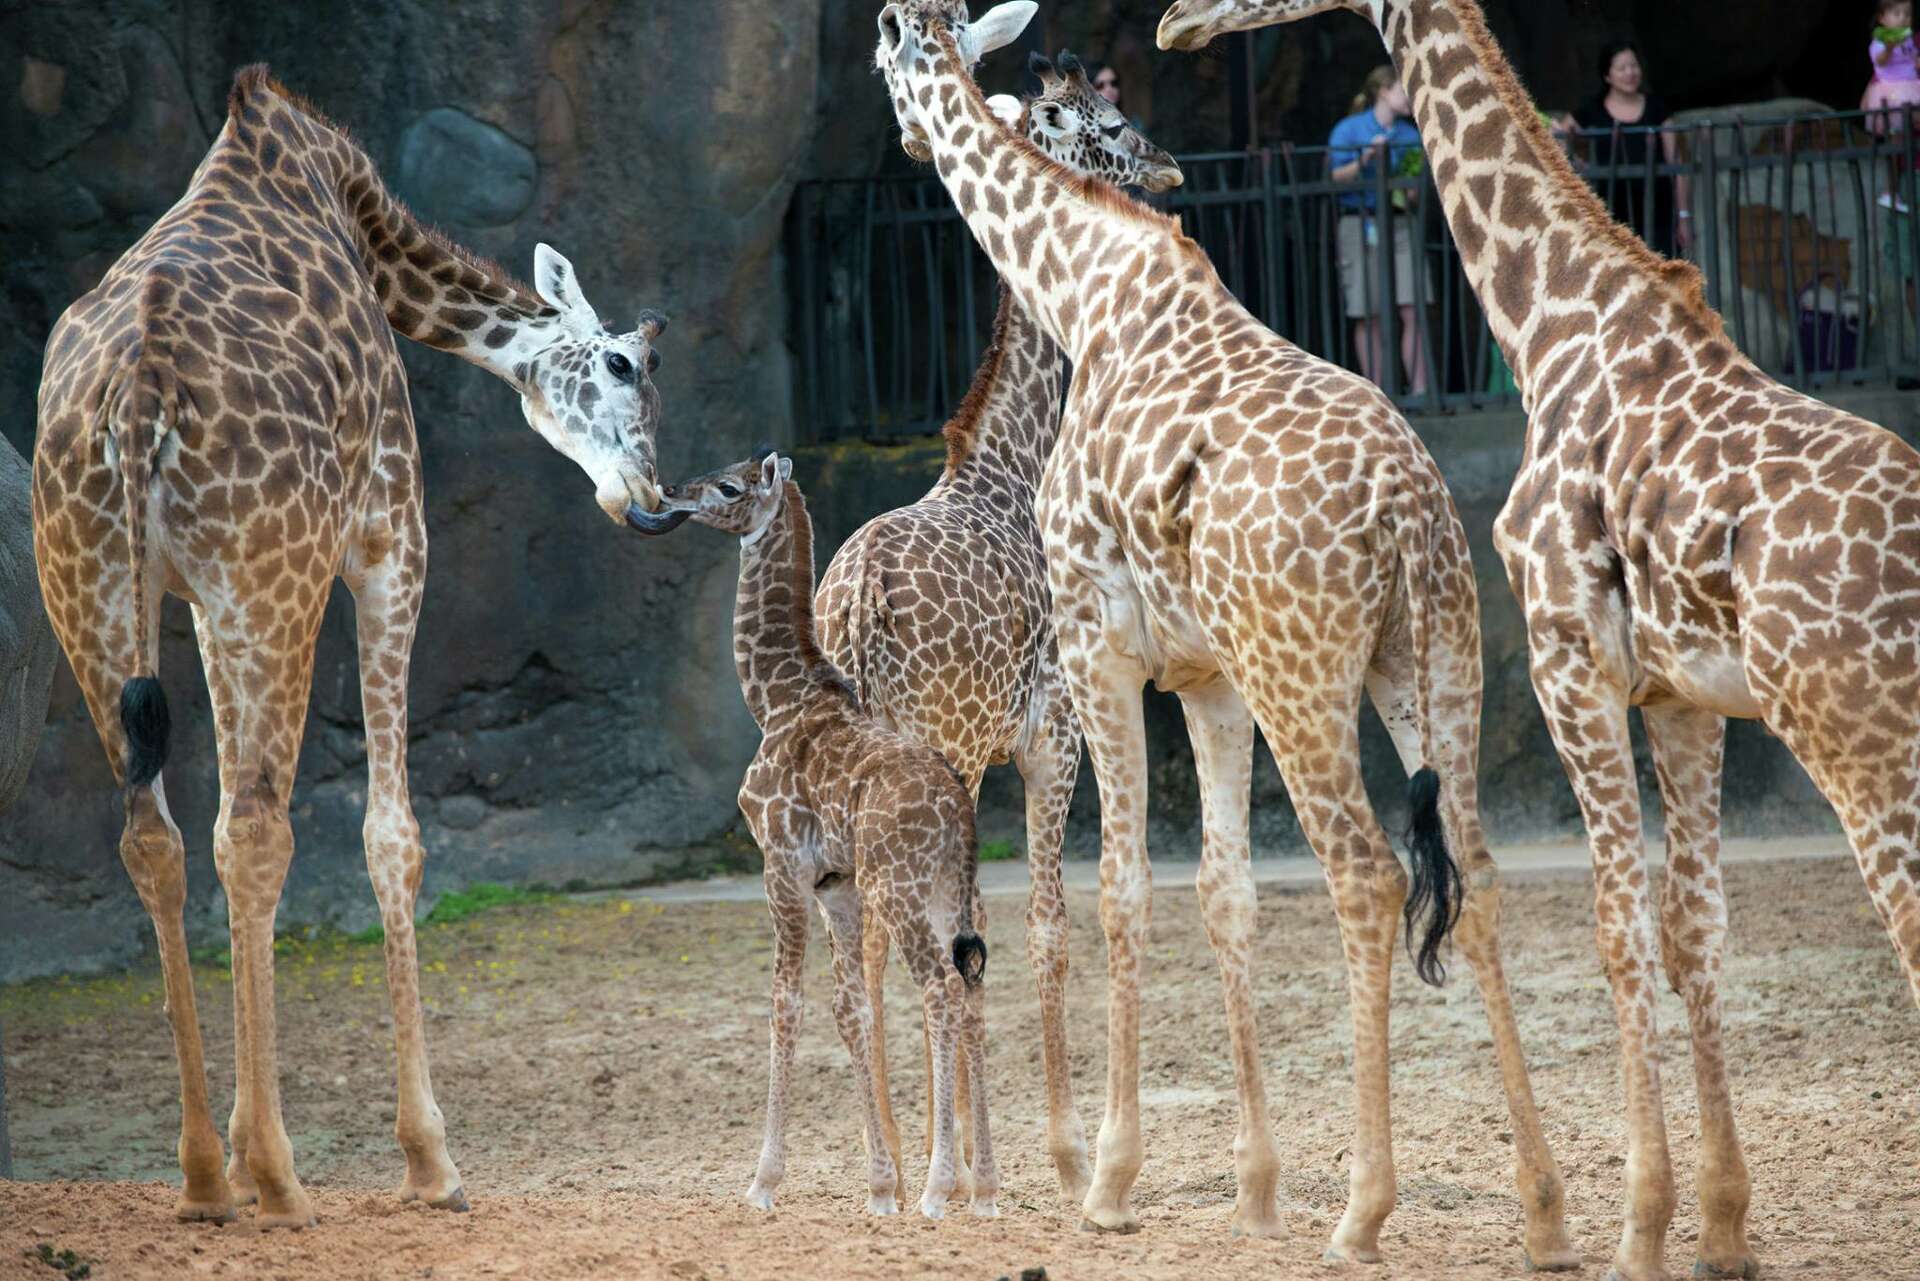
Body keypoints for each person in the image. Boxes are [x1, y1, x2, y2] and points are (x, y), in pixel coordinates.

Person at [1329, 65, 1431, 396]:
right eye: (1404, 90)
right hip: (1359, 221)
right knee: (1366, 310)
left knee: (1412, 306)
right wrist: (1367, 157)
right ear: (1384, 91)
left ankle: (1419, 391)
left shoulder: (1410, 136)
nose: (1409, 98)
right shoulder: (1349, 129)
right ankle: (1377, 392)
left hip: (1399, 220)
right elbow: (1333, 178)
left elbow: (1414, 192)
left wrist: (1407, 182)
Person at [1573, 41, 1692, 257]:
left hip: (1659, 213)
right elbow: (1560, 134)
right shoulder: (1593, 108)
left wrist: (1683, 216)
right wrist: (1578, 163)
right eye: (1621, 68)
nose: (1630, 72)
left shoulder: (1657, 108)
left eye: (1634, 66)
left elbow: (1675, 164)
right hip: (1612, 214)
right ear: (1607, 76)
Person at [1863, 0, 1920, 211]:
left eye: (1907, 14)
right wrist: (1888, 48)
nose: (1904, 18)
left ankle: (1892, 192)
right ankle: (1891, 191)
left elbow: (1912, 60)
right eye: (1897, 14)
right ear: (1882, 19)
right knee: (1895, 144)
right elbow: (1882, 61)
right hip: (1894, 93)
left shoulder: (1907, 40)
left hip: (1911, 87)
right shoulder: (1879, 42)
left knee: (1900, 142)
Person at [1088, 61, 1146, 132]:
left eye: (1114, 83)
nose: (1109, 89)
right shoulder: (1080, 128)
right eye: (1100, 85)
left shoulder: (1134, 124)